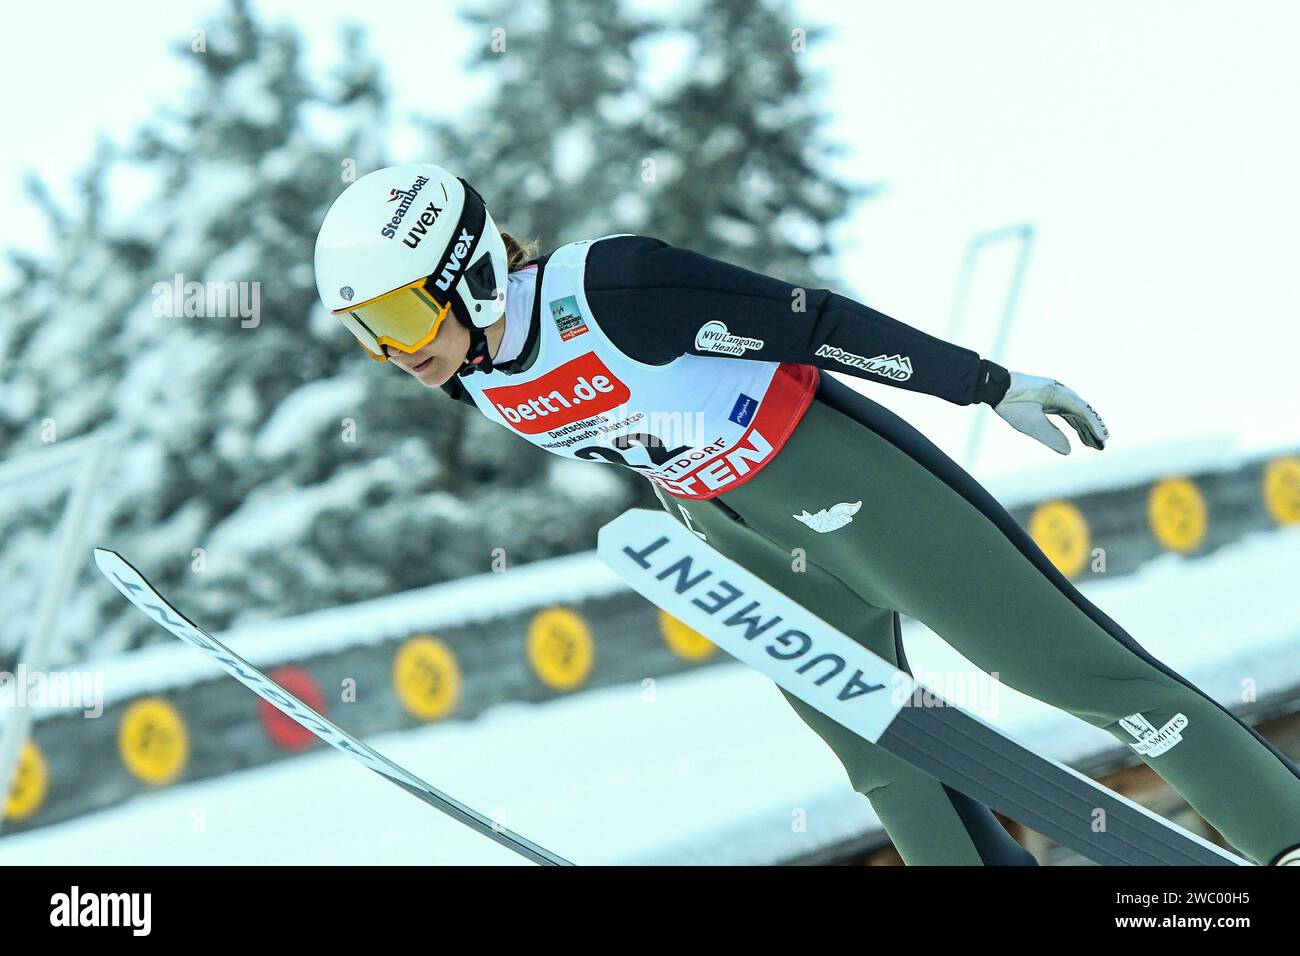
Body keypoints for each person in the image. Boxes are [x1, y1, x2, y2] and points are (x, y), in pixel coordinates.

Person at [314, 162, 1300, 866]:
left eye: (400, 317)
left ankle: (1279, 833)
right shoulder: (475, 373)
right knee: (882, 751)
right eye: (367, 332)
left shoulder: (614, 288)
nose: (395, 352)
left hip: (847, 485)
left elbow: (814, 320)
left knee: (1071, 670)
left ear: (471, 271)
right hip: (736, 534)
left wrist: (986, 383)